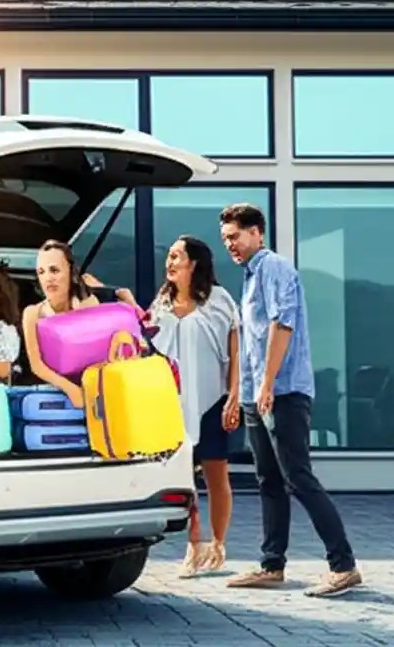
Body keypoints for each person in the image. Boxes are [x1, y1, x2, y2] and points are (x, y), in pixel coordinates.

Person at [218, 203, 363, 598]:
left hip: (282, 392)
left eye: (235, 236)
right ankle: (272, 565)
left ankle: (343, 566)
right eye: (226, 239)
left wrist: (267, 383)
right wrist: (243, 394)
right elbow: (249, 342)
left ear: (256, 233)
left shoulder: (274, 268)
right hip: (255, 395)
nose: (230, 244)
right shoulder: (248, 279)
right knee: (269, 481)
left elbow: (284, 322)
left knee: (298, 477)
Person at [146, 236, 240, 578]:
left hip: (214, 401)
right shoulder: (162, 304)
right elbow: (149, 347)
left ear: (194, 263)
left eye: (176, 256)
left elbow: (236, 350)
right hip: (173, 405)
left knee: (217, 477)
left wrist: (234, 395)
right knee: (186, 481)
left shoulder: (219, 300)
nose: (169, 263)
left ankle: (218, 544)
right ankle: (193, 544)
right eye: (168, 257)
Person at [21, 240, 100, 406]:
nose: (48, 278)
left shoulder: (89, 304)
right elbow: (37, 365)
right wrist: (70, 389)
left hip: (92, 392)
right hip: (52, 397)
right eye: (41, 272)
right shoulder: (32, 314)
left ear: (70, 271)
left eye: (54, 270)